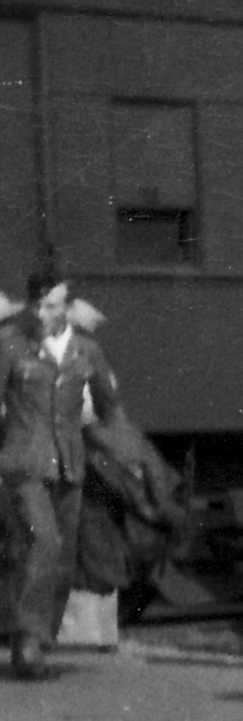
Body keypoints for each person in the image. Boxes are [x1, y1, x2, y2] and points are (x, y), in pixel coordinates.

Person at [2, 268, 123, 679]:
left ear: (69, 310)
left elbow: (107, 405)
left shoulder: (87, 352)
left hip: (69, 464)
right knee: (43, 542)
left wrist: (90, 417)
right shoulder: (10, 345)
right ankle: (27, 642)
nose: (41, 313)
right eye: (36, 304)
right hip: (23, 461)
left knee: (63, 558)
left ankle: (39, 638)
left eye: (51, 305)